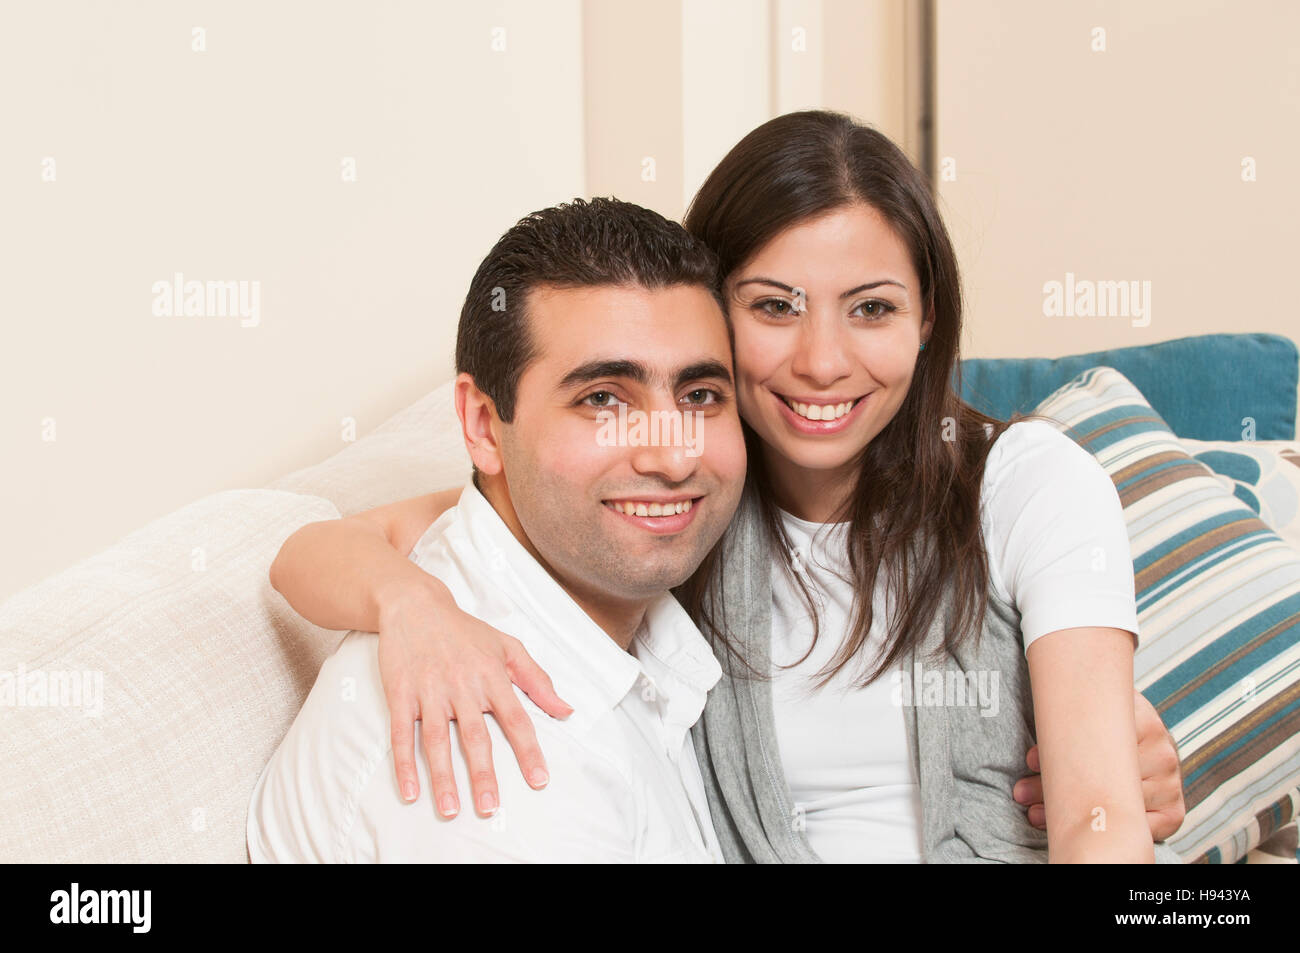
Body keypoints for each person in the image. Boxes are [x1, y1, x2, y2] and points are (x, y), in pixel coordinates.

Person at [268, 111, 1186, 862]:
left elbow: (1098, 819)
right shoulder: (681, 507)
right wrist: (410, 606)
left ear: (926, 317)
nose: (823, 361)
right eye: (775, 306)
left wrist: (1101, 749)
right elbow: (324, 544)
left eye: (871, 307)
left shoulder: (1019, 483)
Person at [248, 198, 748, 861]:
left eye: (700, 396)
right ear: (485, 427)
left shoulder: (581, 593)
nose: (674, 454)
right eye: (603, 398)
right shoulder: (496, 768)